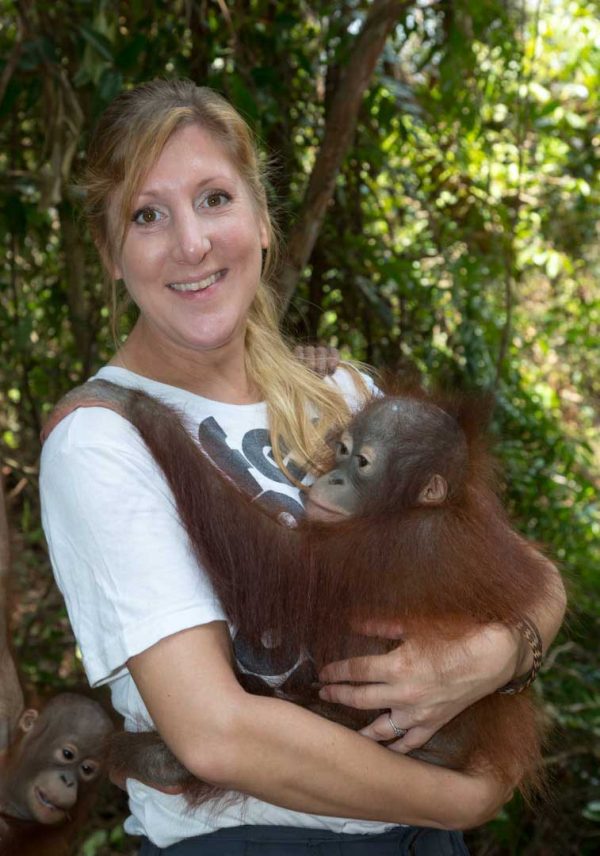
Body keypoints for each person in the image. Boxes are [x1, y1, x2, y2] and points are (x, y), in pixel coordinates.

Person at [39, 79, 566, 855]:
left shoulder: (345, 394)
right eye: (148, 215)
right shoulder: (101, 435)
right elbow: (216, 736)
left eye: (214, 199)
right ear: (110, 255)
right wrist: (464, 799)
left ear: (260, 219)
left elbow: (528, 575)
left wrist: (492, 656)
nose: (191, 244)